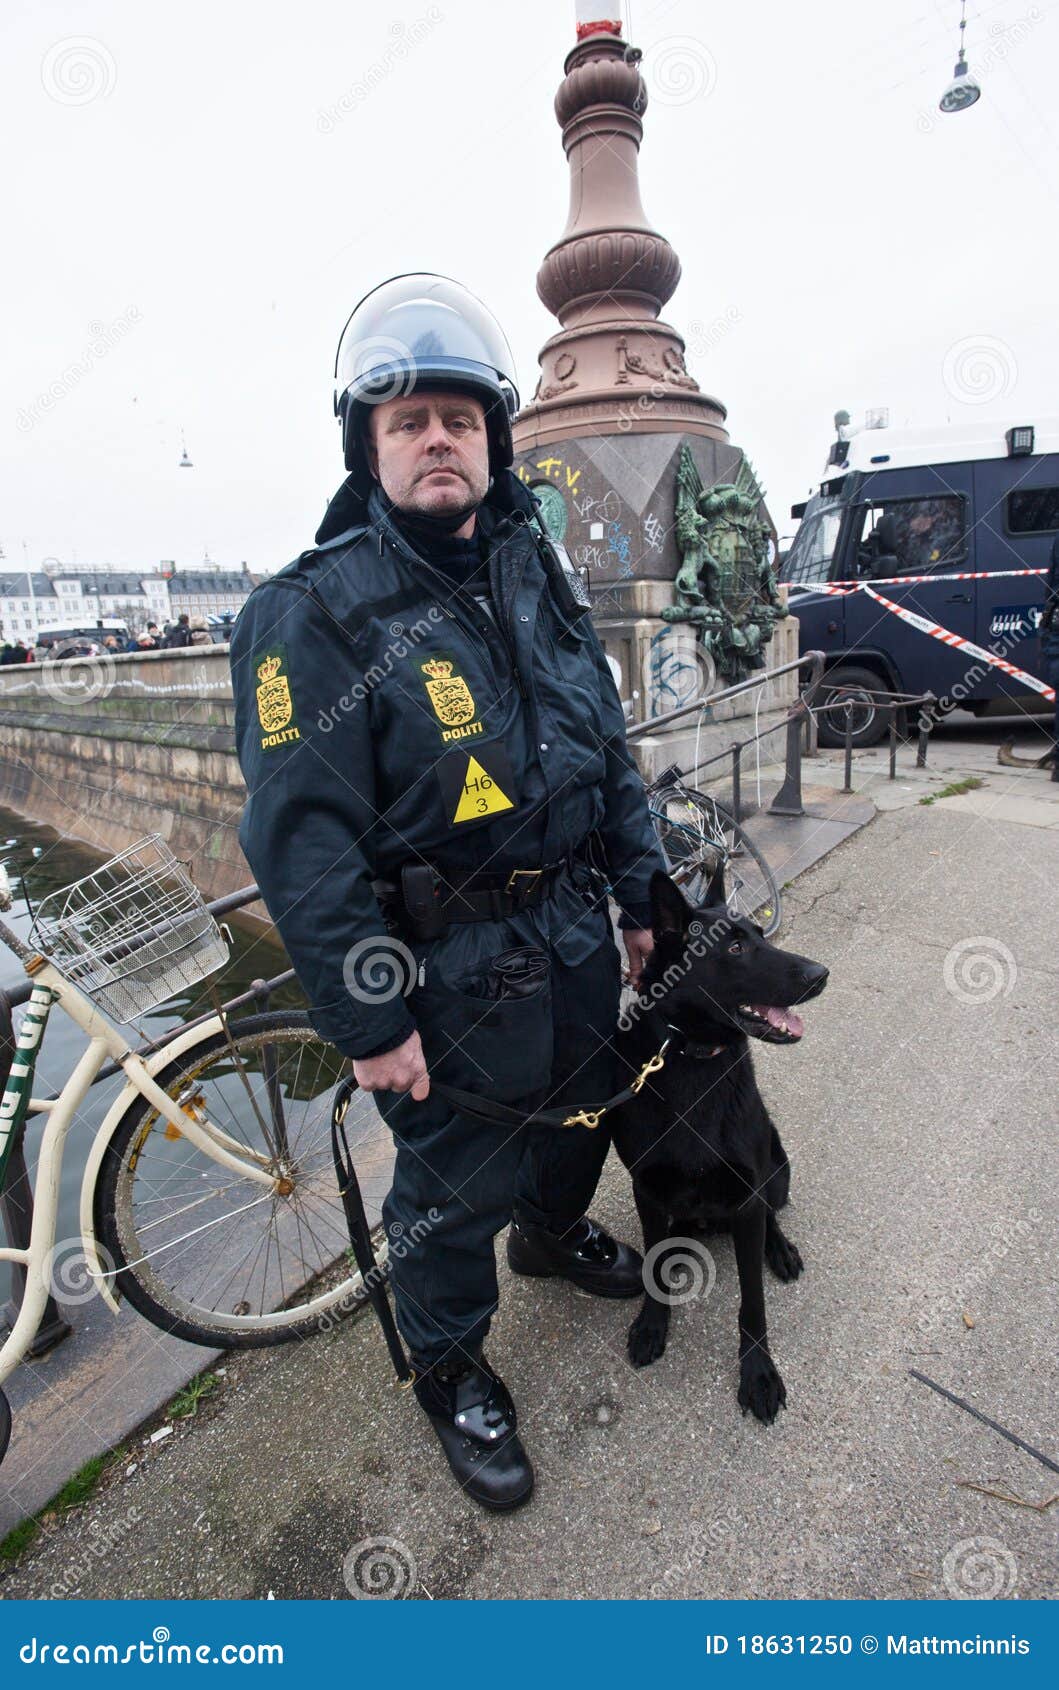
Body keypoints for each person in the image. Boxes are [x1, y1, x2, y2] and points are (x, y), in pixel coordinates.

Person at [230, 273, 666, 1512]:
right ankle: (452, 1366)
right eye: (409, 420)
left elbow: (605, 745)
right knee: (450, 1191)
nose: (438, 438)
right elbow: (303, 845)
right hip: (448, 968)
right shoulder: (309, 612)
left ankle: (552, 1233)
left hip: (573, 927)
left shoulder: (535, 565)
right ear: (368, 446)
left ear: (493, 440)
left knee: (584, 1112)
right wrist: (369, 1018)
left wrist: (640, 897)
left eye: (459, 419)